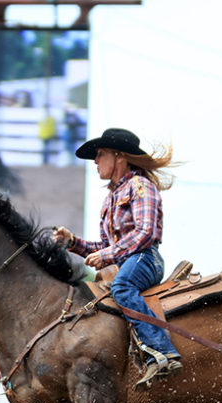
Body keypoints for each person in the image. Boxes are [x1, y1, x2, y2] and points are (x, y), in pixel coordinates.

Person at [53, 128, 181, 387]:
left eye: (100, 154)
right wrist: (73, 243)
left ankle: (162, 350)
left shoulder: (140, 186)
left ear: (119, 156)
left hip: (145, 259)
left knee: (122, 287)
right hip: (126, 262)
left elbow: (145, 233)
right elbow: (106, 245)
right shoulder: (111, 197)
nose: (95, 161)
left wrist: (107, 254)